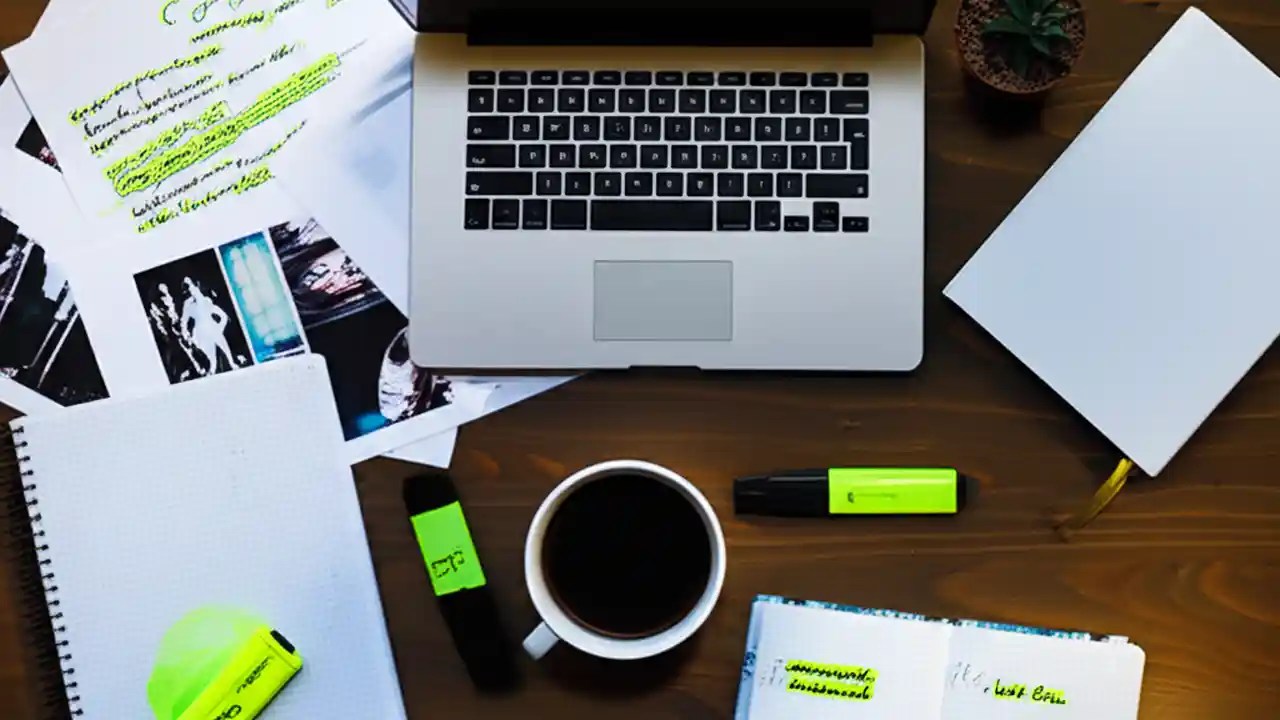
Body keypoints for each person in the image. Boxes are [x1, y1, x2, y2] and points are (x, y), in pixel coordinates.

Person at [180, 276, 237, 375]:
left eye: (191, 285)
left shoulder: (206, 300)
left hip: (212, 327)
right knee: (212, 358)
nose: (191, 288)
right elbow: (184, 321)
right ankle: (212, 370)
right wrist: (185, 334)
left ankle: (232, 363)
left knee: (224, 347)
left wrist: (220, 328)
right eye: (187, 286)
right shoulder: (189, 306)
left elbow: (222, 315)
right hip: (201, 332)